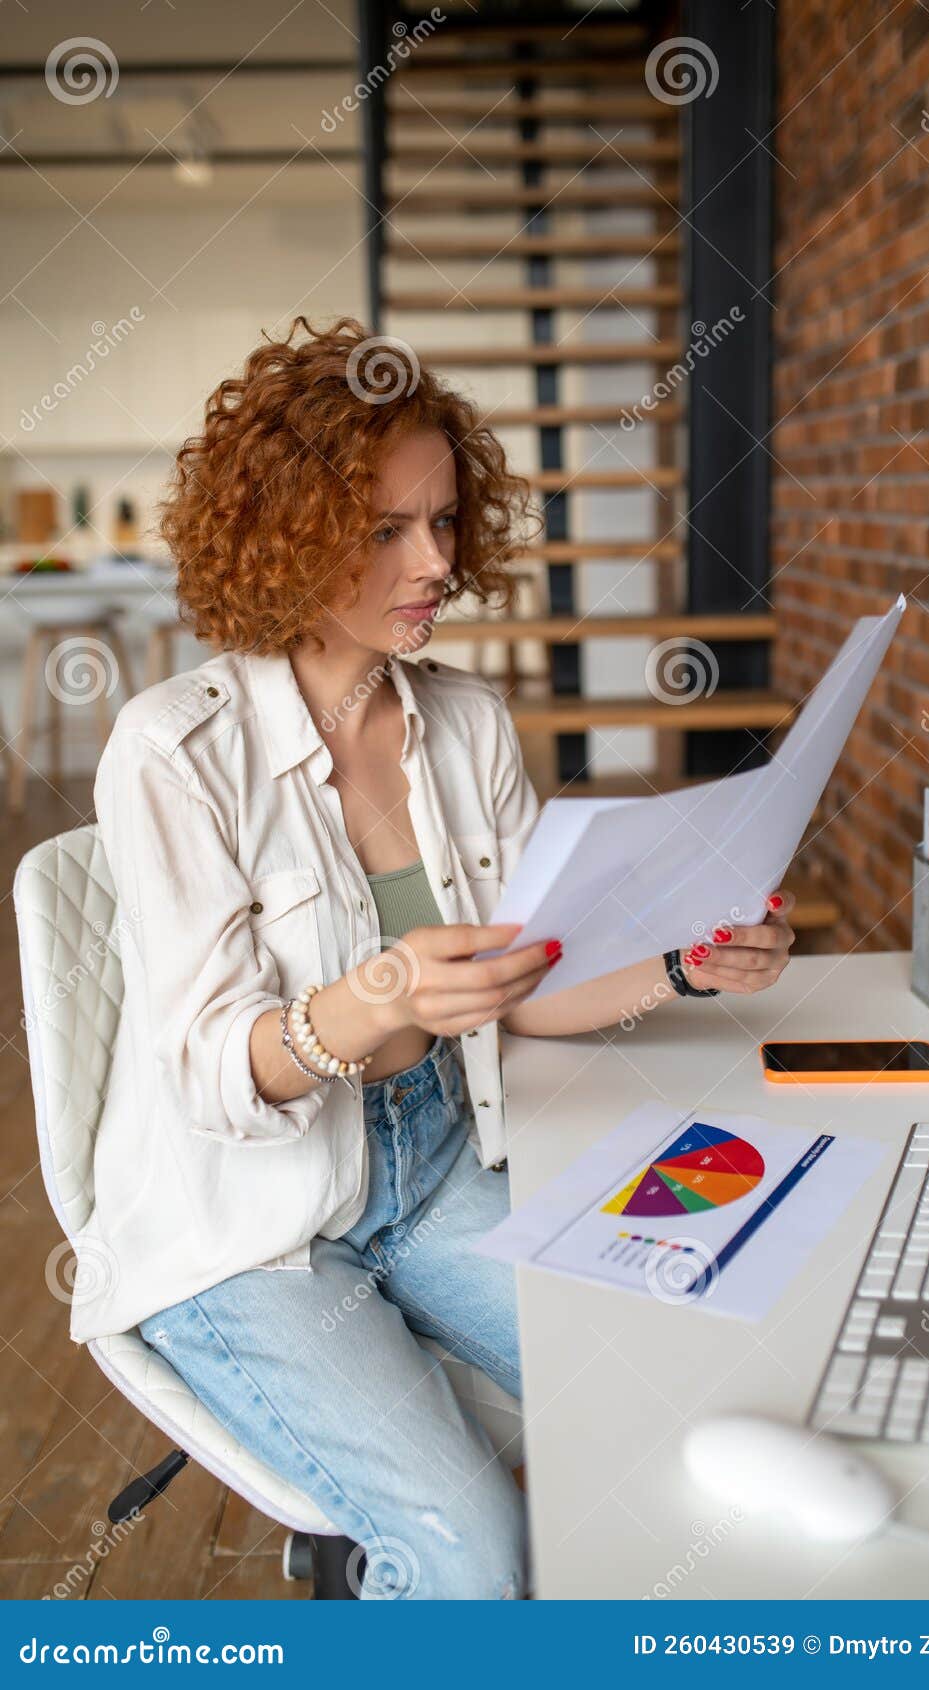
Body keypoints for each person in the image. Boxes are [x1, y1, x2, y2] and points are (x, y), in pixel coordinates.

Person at [82, 318, 795, 1598]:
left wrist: (684, 965)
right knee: (470, 1549)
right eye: (384, 532)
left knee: (673, 1378)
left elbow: (535, 984)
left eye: (445, 522)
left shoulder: (463, 722)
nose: (434, 563)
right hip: (252, 1226)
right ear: (285, 537)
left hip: (433, 1162)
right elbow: (209, 1073)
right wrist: (380, 993)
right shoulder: (171, 748)